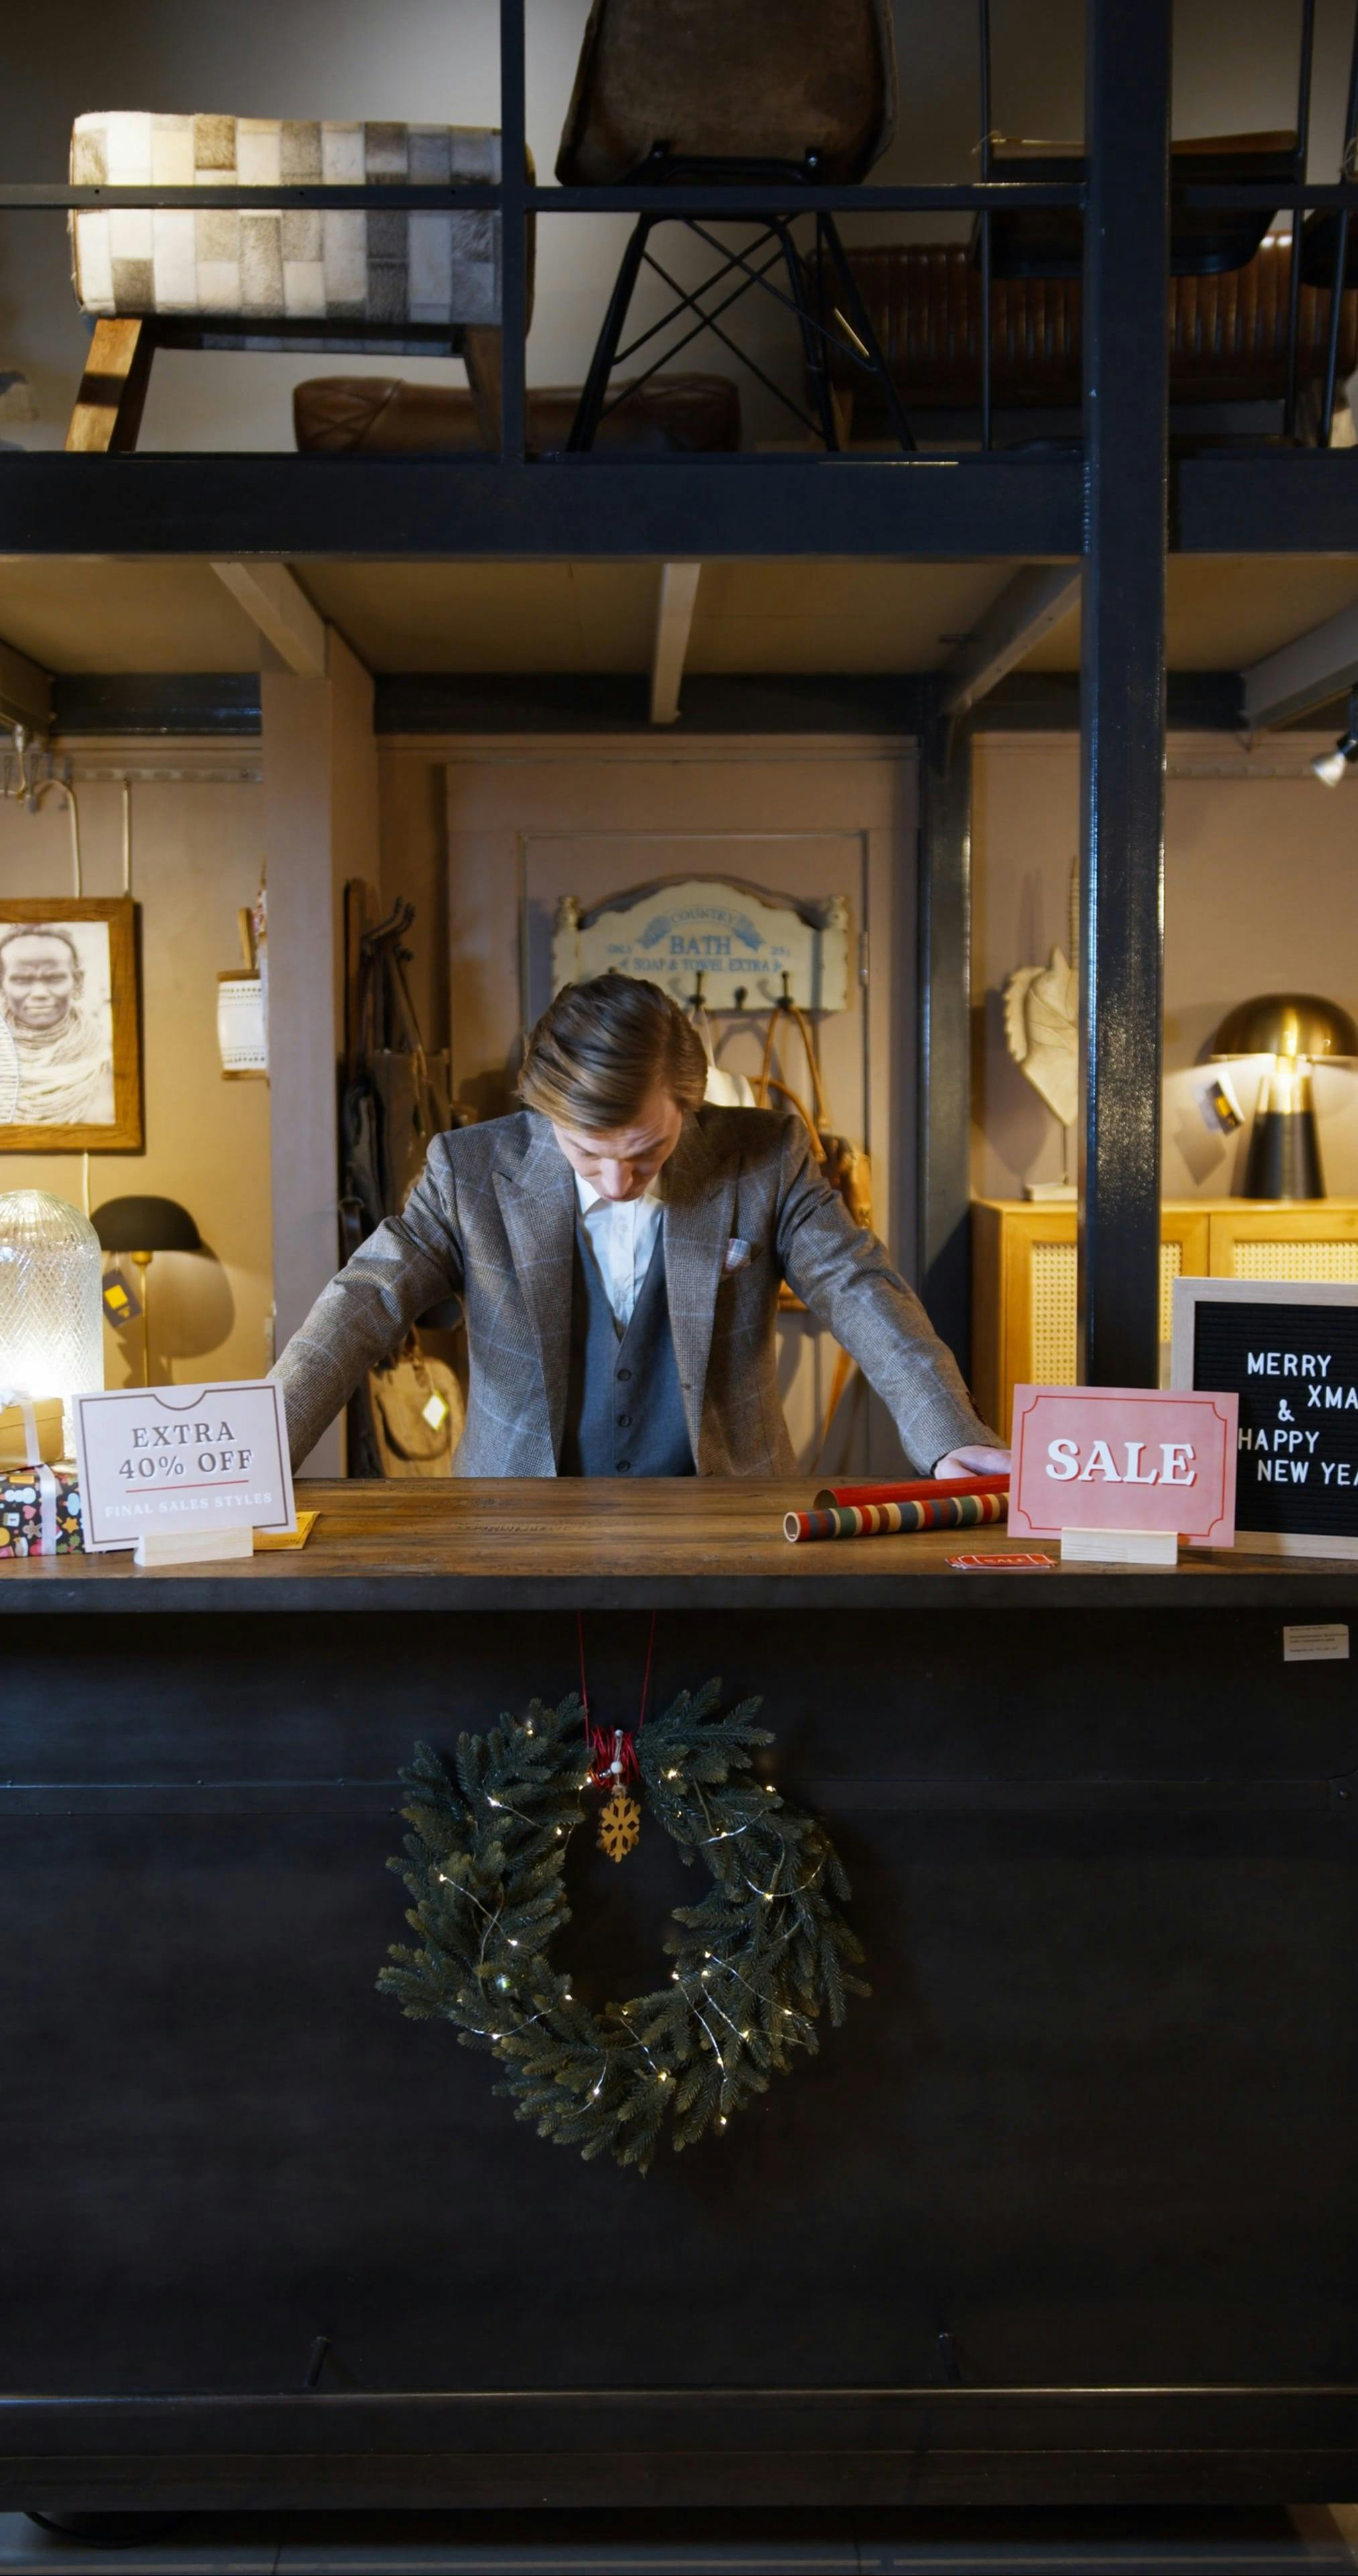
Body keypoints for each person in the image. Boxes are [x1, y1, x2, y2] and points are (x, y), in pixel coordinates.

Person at [273, 972, 1008, 1480]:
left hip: (725, 1517)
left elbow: (861, 1289)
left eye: (647, 1151)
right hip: (514, 1525)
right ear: (543, 1111)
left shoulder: (766, 1156)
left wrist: (949, 1436)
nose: (619, 1183)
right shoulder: (468, 1172)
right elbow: (363, 1302)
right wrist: (260, 1450)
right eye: (588, 1154)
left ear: (689, 1104)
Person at [0, 922, 115, 1126]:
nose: (40, 993)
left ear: (77, 981)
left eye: (54, 978)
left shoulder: (105, 1060)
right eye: (21, 980)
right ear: (2, 984)